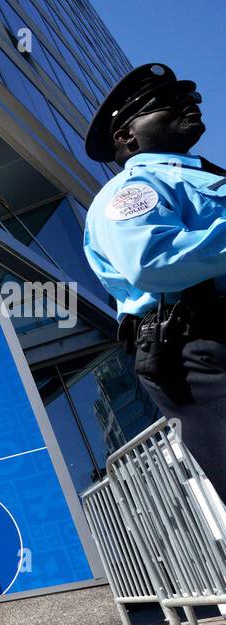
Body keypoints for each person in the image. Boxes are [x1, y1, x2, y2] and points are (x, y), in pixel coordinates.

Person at [83, 63, 226, 498]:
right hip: (200, 342)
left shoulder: (201, 175)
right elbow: (153, 260)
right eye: (166, 103)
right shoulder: (135, 186)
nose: (188, 105)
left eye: (191, 98)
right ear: (126, 136)